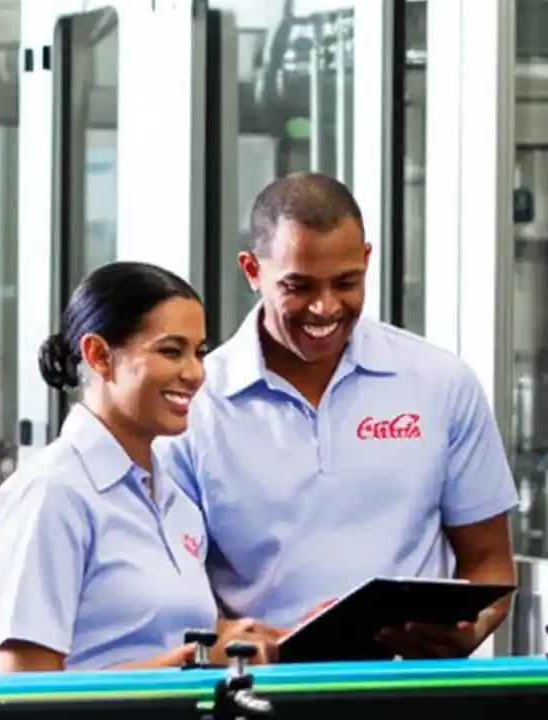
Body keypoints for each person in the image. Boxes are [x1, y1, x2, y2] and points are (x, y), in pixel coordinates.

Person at [156, 172, 520, 658]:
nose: (325, 307)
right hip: (258, 696)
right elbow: (166, 593)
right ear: (251, 270)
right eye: (298, 286)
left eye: (347, 282)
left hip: (412, 691)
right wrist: (229, 638)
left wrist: (473, 628)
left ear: (367, 260)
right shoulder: (195, 404)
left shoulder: (441, 382)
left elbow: (490, 560)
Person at [0, 261, 279, 672]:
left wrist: (246, 636)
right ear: (99, 355)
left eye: (199, 352)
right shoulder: (51, 495)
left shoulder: (176, 503)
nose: (194, 373)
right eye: (171, 351)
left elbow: (149, 637)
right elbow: (23, 691)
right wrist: (198, 663)